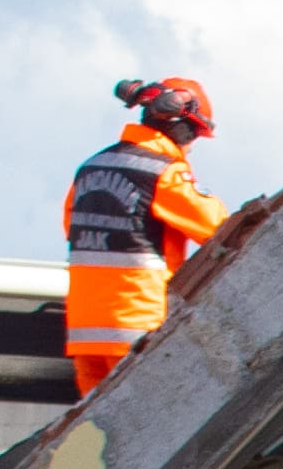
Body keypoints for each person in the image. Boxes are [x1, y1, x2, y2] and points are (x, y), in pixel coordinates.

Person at [63, 75, 226, 393]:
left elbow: (71, 228)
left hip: (85, 334)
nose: (191, 148)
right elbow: (217, 228)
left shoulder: (90, 168)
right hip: (138, 329)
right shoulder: (162, 171)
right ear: (182, 126)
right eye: (194, 136)